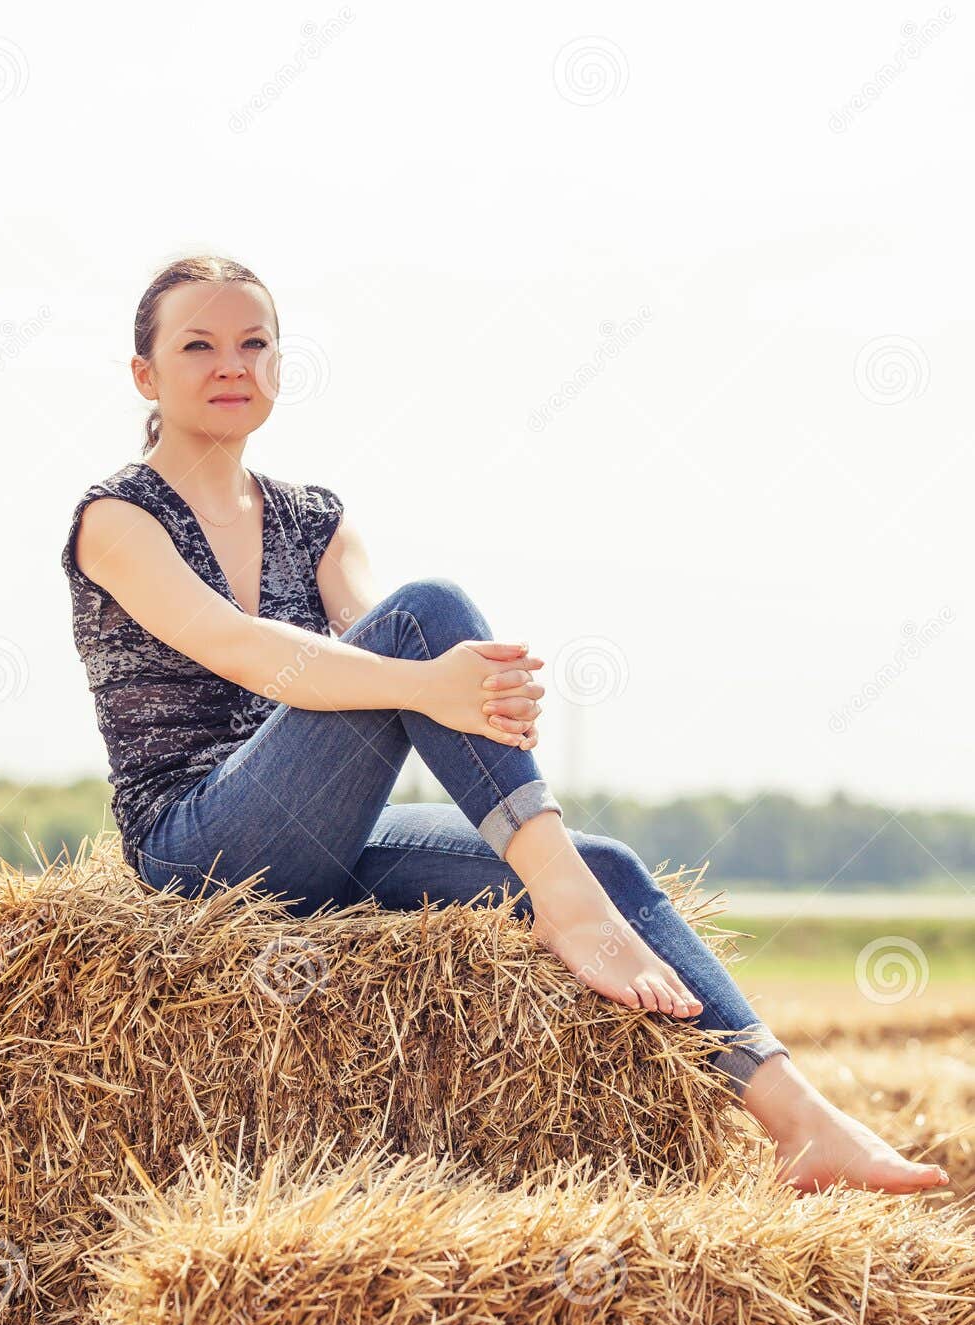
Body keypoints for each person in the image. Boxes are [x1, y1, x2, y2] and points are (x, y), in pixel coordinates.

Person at [59, 253, 948, 1199]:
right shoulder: (118, 516)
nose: (231, 363)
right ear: (145, 377)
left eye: (255, 342)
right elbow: (240, 647)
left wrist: (466, 694)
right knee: (427, 614)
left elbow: (394, 669)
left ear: (281, 364)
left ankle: (800, 1123)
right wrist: (436, 681)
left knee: (605, 865)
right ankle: (564, 904)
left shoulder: (315, 519)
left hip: (319, 836)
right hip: (197, 849)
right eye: (198, 345)